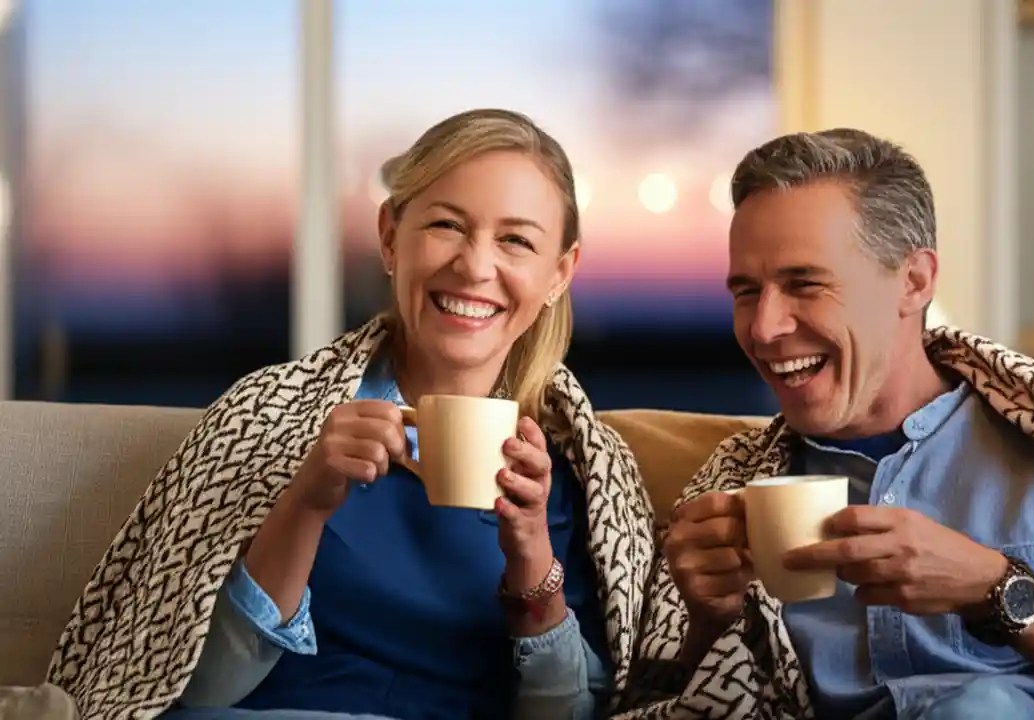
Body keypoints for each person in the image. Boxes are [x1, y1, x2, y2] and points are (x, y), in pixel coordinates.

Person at [617, 129, 1034, 720]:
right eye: (746, 292)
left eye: (805, 284)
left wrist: (995, 588)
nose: (765, 328)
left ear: (914, 281)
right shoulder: (731, 488)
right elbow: (662, 700)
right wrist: (706, 623)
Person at [46, 109, 656, 720]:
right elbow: (181, 692)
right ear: (390, 236)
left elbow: (567, 716)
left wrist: (533, 562)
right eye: (447, 225)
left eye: (515, 240)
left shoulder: (586, 478)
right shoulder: (268, 417)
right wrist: (305, 502)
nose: (474, 266)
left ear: (560, 273)